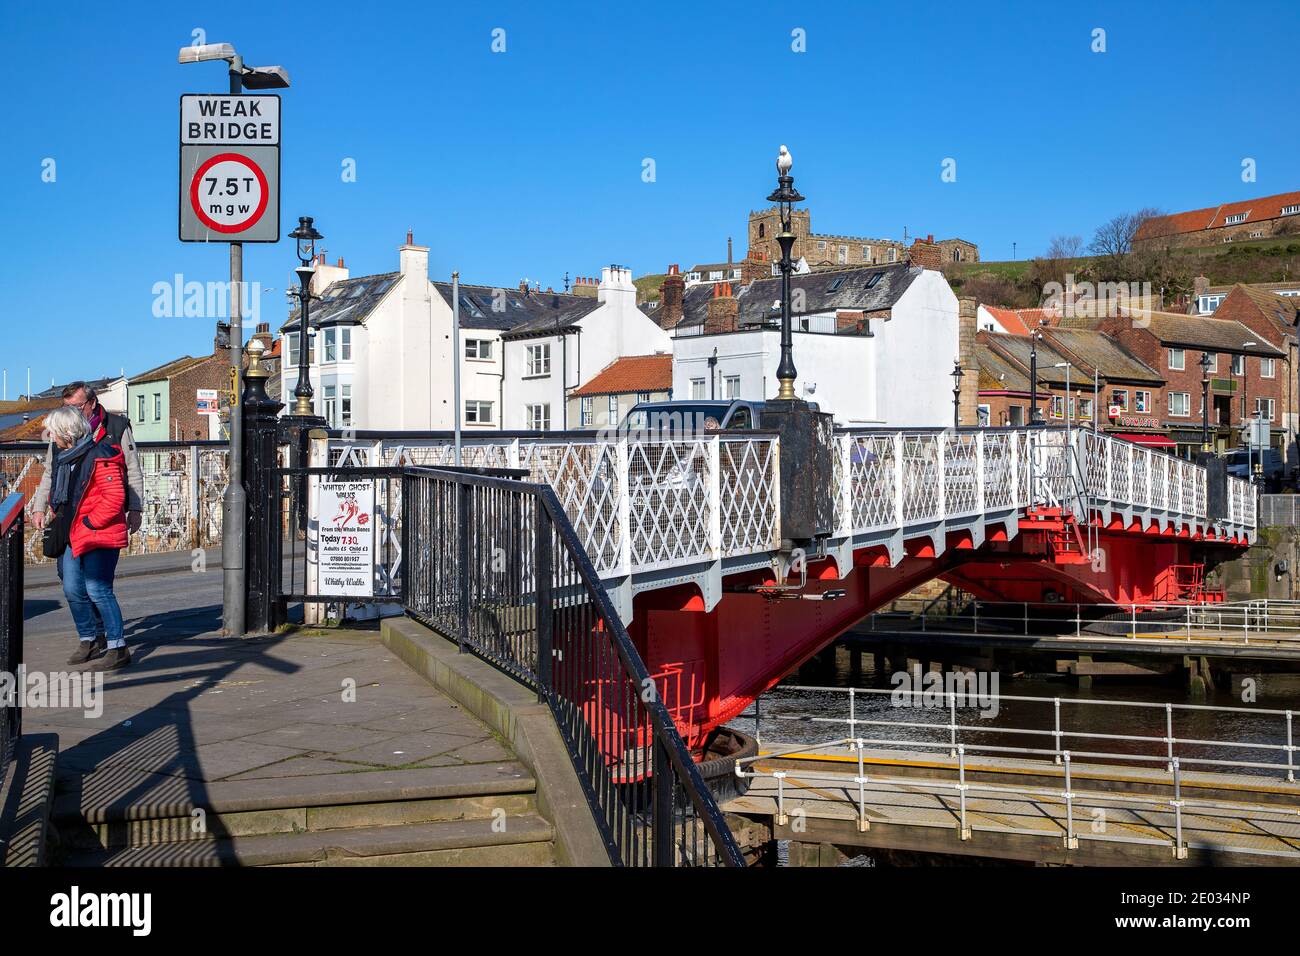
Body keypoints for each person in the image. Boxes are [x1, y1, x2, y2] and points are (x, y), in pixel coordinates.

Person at [30, 382, 143, 663]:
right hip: (72, 526)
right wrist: (40, 506)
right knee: (72, 586)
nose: (72, 410)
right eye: (67, 407)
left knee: (97, 586)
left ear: (91, 403)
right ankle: (92, 637)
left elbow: (129, 474)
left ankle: (114, 643)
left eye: (76, 406)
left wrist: (133, 509)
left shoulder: (113, 432)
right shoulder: (62, 450)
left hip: (94, 529)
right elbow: (50, 475)